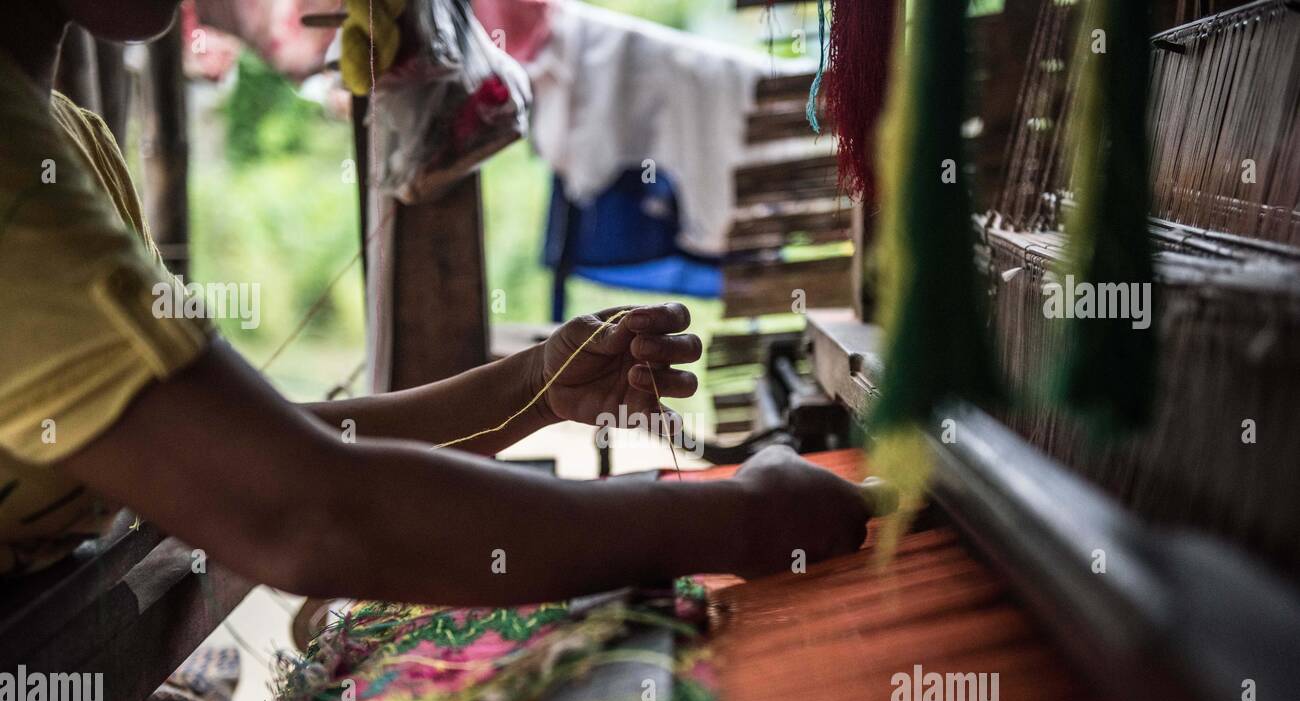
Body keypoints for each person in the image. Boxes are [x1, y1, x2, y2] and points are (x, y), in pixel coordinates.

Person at [0, 1, 869, 606]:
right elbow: (301, 510)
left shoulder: (71, 141)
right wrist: (738, 520)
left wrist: (530, 385)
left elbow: (234, 447)